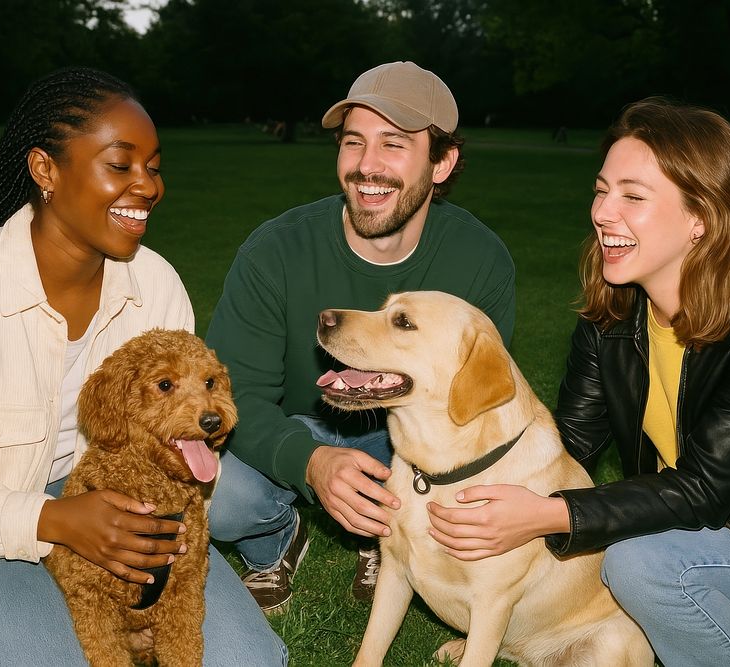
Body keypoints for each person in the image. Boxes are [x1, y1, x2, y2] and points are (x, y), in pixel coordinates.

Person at [424, 97, 730, 665]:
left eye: (633, 196)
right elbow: (568, 447)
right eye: (602, 190)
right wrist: (471, 482)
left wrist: (552, 514)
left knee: (638, 565)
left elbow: (707, 489)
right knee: (630, 556)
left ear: (701, 216)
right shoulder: (614, 314)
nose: (604, 212)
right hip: (683, 526)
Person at [0, 66, 286, 667]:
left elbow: (182, 422)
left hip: (106, 494)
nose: (147, 186)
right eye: (121, 165)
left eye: (154, 165)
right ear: (46, 170)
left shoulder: (156, 284)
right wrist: (54, 518)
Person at [205, 61, 516, 613]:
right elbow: (230, 395)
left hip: (411, 438)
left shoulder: (479, 261)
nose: (366, 167)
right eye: (354, 143)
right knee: (219, 499)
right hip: (305, 427)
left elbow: (475, 406)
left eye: (393, 145)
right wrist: (310, 461)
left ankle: (386, 534)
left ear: (441, 163)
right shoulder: (276, 250)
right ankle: (278, 539)